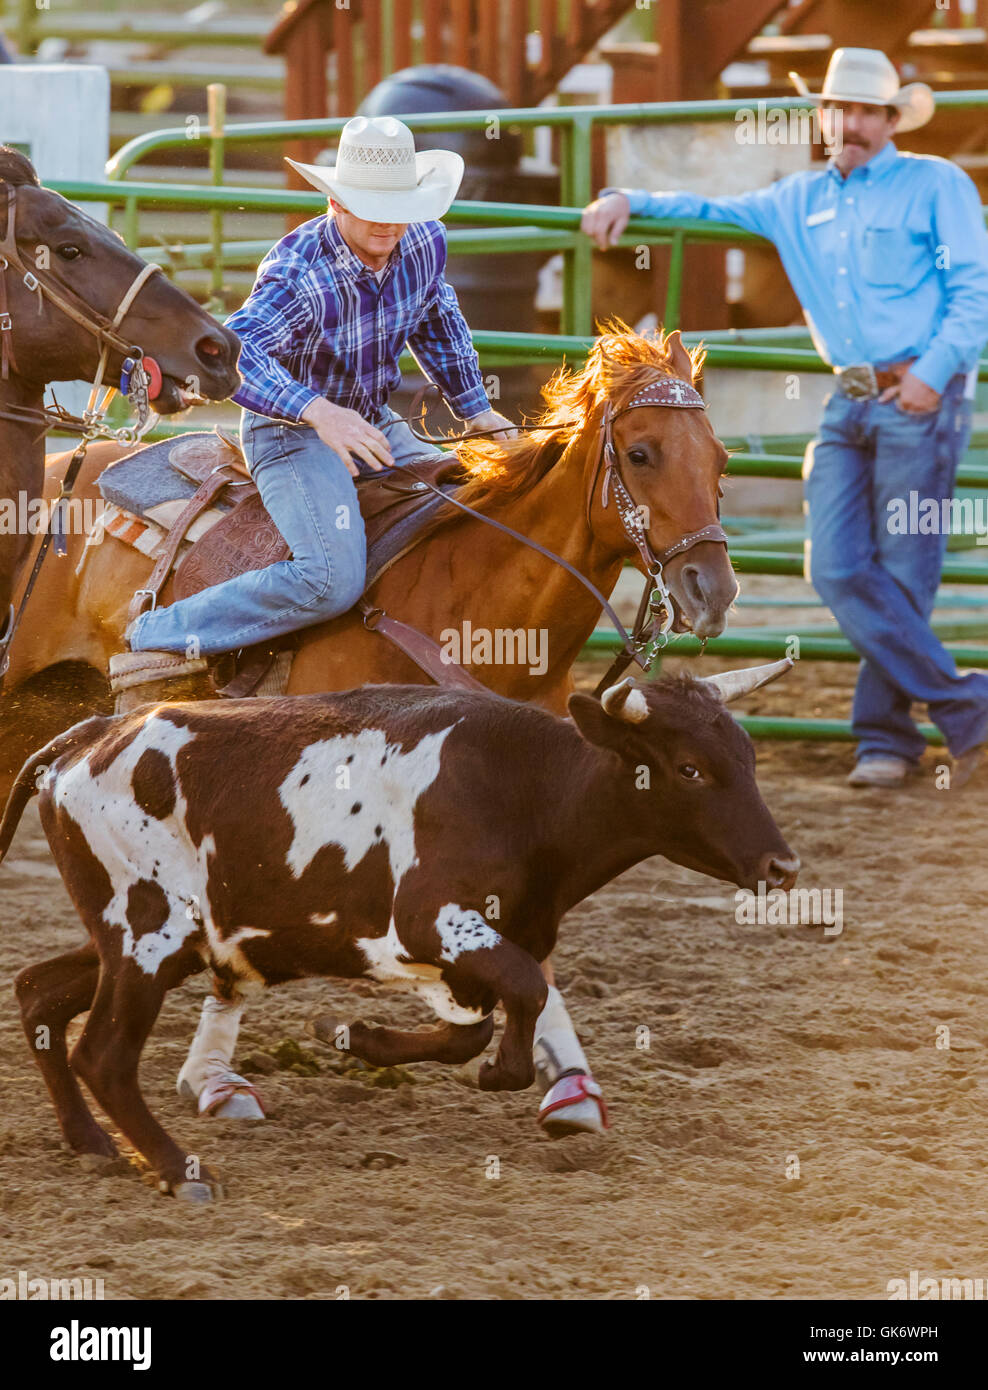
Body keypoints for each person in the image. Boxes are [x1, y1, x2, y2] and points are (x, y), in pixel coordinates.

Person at [581, 48, 988, 789]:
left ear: (893, 119)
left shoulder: (937, 184)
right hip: (849, 398)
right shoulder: (795, 198)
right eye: (840, 109)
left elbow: (974, 289)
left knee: (904, 572)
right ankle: (970, 709)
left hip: (921, 396)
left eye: (868, 111)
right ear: (823, 116)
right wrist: (626, 199)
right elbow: (704, 208)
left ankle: (885, 741)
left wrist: (932, 375)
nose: (852, 123)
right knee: (833, 566)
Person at [124, 115, 512, 662]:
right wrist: (317, 411)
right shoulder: (299, 273)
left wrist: (477, 412)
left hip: (370, 420)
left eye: (399, 207)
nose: (389, 224)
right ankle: (159, 631)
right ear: (337, 203)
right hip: (288, 431)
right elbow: (236, 356)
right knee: (328, 578)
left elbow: (436, 313)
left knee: (464, 509)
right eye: (372, 208)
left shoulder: (424, 238)